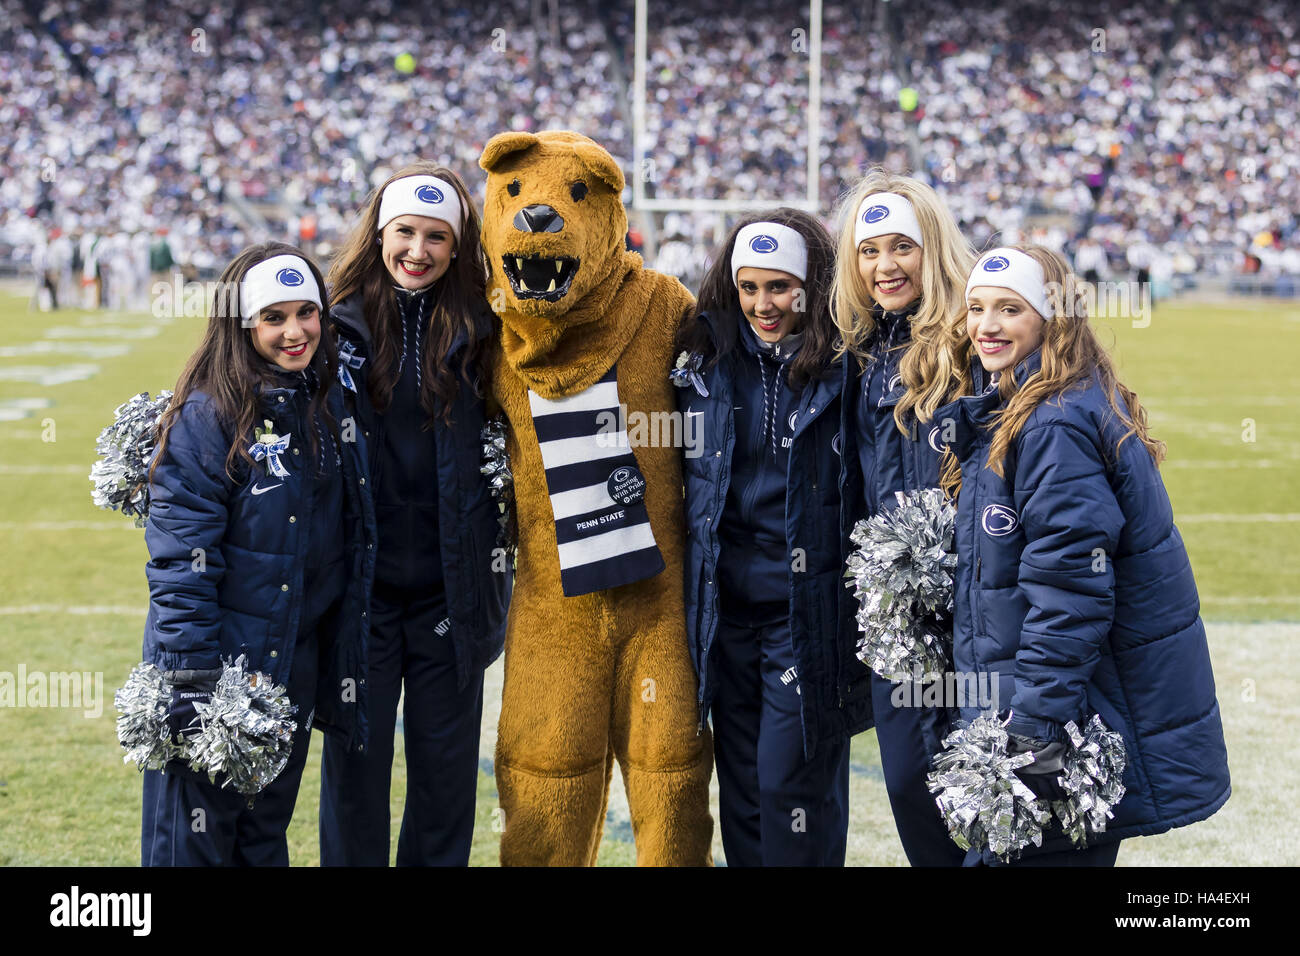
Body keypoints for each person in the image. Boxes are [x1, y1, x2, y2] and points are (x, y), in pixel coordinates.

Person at [935, 244, 1231, 866]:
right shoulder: (1033, 403)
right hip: (1061, 702)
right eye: (977, 308)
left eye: (1010, 310)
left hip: (1057, 716)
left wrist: (1031, 731)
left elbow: (1071, 591)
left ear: (1051, 318)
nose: (986, 326)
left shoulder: (1050, 423)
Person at [140, 242, 376, 865]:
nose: (294, 332)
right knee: (190, 846)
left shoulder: (325, 405)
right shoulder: (206, 413)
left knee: (263, 841)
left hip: (288, 668)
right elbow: (179, 559)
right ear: (243, 326)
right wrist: (192, 682)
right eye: (274, 317)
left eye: (307, 313)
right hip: (213, 667)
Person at [319, 163, 509, 866]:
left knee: (444, 781)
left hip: (451, 595)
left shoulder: (489, 329)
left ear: (457, 248)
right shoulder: (332, 324)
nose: (419, 251)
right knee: (354, 779)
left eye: (437, 237)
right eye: (406, 232)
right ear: (379, 234)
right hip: (359, 598)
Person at [676, 209, 868, 865]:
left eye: (781, 286)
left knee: (792, 786)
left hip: (804, 612)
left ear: (813, 285)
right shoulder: (703, 361)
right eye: (750, 287)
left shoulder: (848, 365)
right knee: (743, 792)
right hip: (724, 612)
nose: (765, 303)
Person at [830, 171, 974, 866]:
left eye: (901, 248)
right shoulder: (857, 351)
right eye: (868, 251)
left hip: (977, 610)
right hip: (897, 617)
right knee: (911, 783)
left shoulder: (978, 337)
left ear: (934, 248)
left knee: (978, 792)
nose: (884, 266)